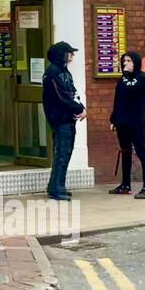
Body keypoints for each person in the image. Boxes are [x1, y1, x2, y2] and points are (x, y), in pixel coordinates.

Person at [42, 41, 85, 201]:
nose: (72, 55)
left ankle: (58, 185)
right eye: (69, 52)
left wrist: (81, 107)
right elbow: (61, 97)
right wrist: (78, 109)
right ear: (61, 54)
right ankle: (56, 188)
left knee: (65, 153)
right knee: (61, 153)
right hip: (60, 118)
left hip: (68, 118)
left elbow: (73, 92)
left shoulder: (65, 72)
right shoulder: (52, 73)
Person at [109, 51, 145, 198]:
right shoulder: (122, 80)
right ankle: (125, 185)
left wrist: (127, 76)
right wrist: (113, 119)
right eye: (124, 61)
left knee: (141, 152)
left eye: (129, 61)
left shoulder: (143, 78)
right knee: (125, 152)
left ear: (136, 62)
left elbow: (133, 91)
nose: (126, 64)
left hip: (136, 122)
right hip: (122, 122)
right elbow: (118, 99)